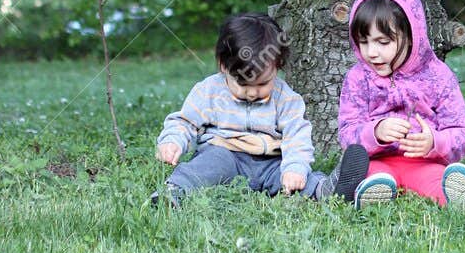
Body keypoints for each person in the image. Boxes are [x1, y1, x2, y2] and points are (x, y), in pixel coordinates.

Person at [152, 11, 368, 206]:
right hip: (225, 156)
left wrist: (294, 168)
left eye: (263, 84)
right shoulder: (209, 91)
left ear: (277, 67)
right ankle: (174, 191)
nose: (253, 92)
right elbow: (185, 122)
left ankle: (327, 190)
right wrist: (173, 140)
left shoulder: (285, 98)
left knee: (292, 178)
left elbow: (297, 137)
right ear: (223, 65)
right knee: (206, 167)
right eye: (244, 84)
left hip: (269, 163)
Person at [338, 0, 465, 209]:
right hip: (377, 161)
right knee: (373, 176)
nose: (371, 52)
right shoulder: (358, 78)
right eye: (364, 42)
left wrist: (435, 142)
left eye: (383, 42)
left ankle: (454, 197)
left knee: (436, 180)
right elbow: (347, 132)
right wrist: (377, 132)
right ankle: (374, 194)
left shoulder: (438, 76)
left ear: (411, 36)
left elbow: (463, 133)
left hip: (424, 162)